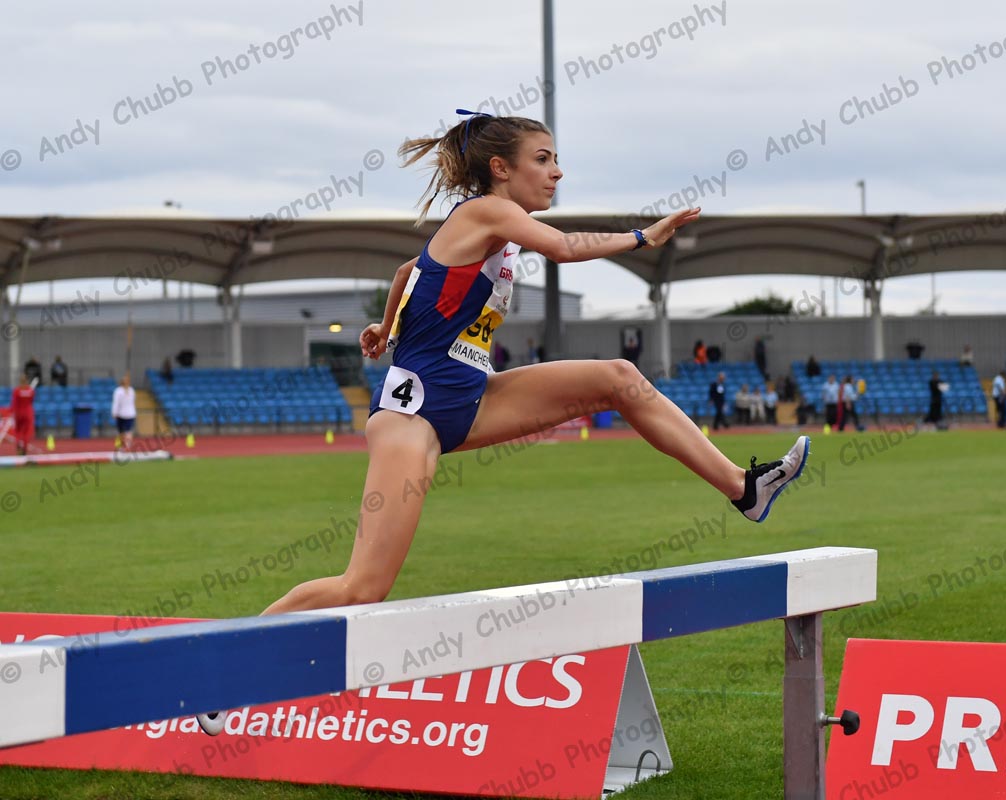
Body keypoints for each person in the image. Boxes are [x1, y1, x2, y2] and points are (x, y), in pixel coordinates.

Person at [198, 110, 814, 734]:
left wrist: (386, 326)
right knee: (363, 587)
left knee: (620, 380)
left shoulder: (491, 230)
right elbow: (567, 249)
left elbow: (407, 273)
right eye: (543, 158)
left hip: (473, 396)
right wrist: (643, 237)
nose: (557, 170)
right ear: (501, 169)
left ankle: (745, 489)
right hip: (414, 418)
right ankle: (222, 671)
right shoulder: (487, 213)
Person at [8, 375, 36, 455]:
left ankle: (18, 447)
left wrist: (11, 411)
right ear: (27, 381)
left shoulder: (17, 391)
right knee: (26, 432)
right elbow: (31, 401)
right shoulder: (31, 391)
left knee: (18, 432)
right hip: (28, 412)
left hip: (19, 413)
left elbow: (14, 403)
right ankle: (25, 449)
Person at [111, 373, 137, 450]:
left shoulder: (131, 390)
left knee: (127, 431)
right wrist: (114, 412)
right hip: (121, 414)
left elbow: (132, 401)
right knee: (122, 431)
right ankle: (120, 446)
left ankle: (127, 446)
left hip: (129, 414)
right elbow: (116, 402)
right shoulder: (118, 391)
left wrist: (114, 412)